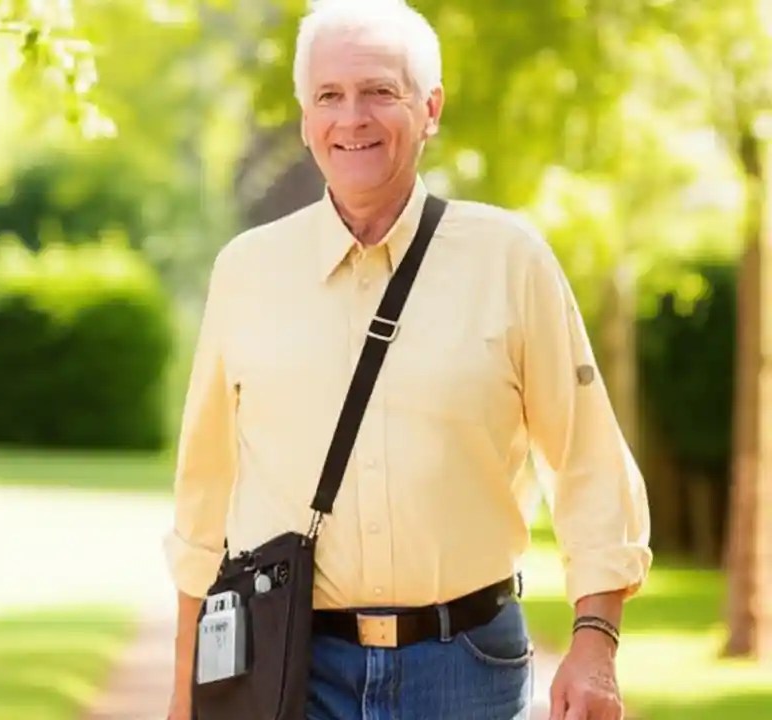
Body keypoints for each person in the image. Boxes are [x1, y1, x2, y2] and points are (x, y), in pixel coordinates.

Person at [162, 1, 653, 719]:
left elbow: (587, 463)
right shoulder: (247, 272)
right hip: (292, 669)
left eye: (379, 92)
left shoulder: (510, 261)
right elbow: (202, 505)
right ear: (305, 120)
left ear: (430, 109)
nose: (351, 118)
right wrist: (185, 697)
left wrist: (595, 642)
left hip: (469, 669)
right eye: (329, 96)